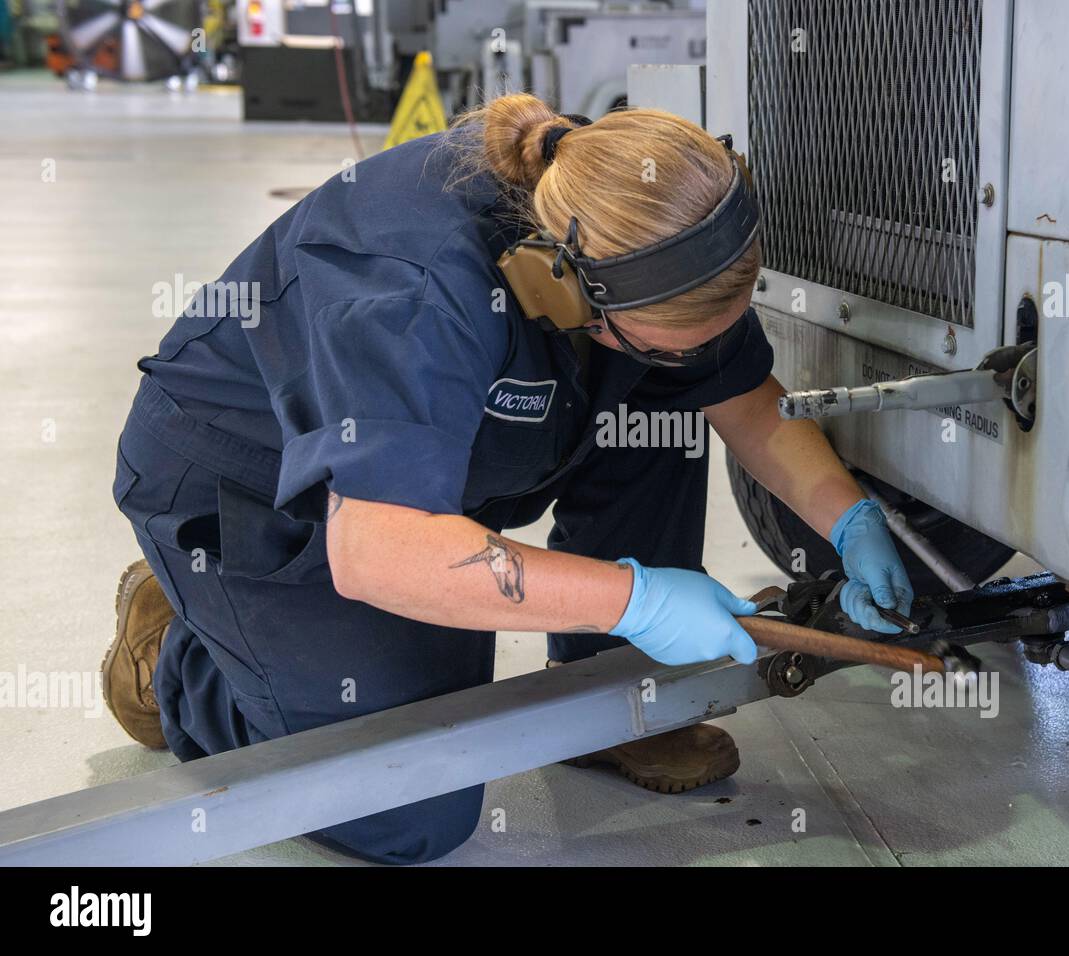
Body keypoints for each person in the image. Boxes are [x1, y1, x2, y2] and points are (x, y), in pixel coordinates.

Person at [105, 94, 914, 864]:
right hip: (260, 490)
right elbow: (383, 553)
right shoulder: (410, 286)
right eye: (671, 340)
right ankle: (184, 653)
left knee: (661, 403)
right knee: (411, 813)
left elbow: (739, 395)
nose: (698, 355)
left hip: (445, 457)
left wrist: (852, 518)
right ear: (560, 285)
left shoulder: (633, 204)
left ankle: (612, 695)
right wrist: (640, 598)